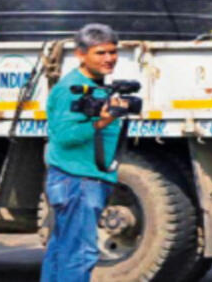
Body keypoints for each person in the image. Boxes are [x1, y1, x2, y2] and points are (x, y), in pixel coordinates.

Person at [42, 24, 130, 282]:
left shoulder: (94, 86)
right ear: (80, 54)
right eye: (100, 53)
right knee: (79, 254)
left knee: (63, 251)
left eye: (113, 52)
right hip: (77, 181)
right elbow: (64, 136)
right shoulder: (71, 89)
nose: (109, 58)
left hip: (81, 179)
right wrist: (102, 122)